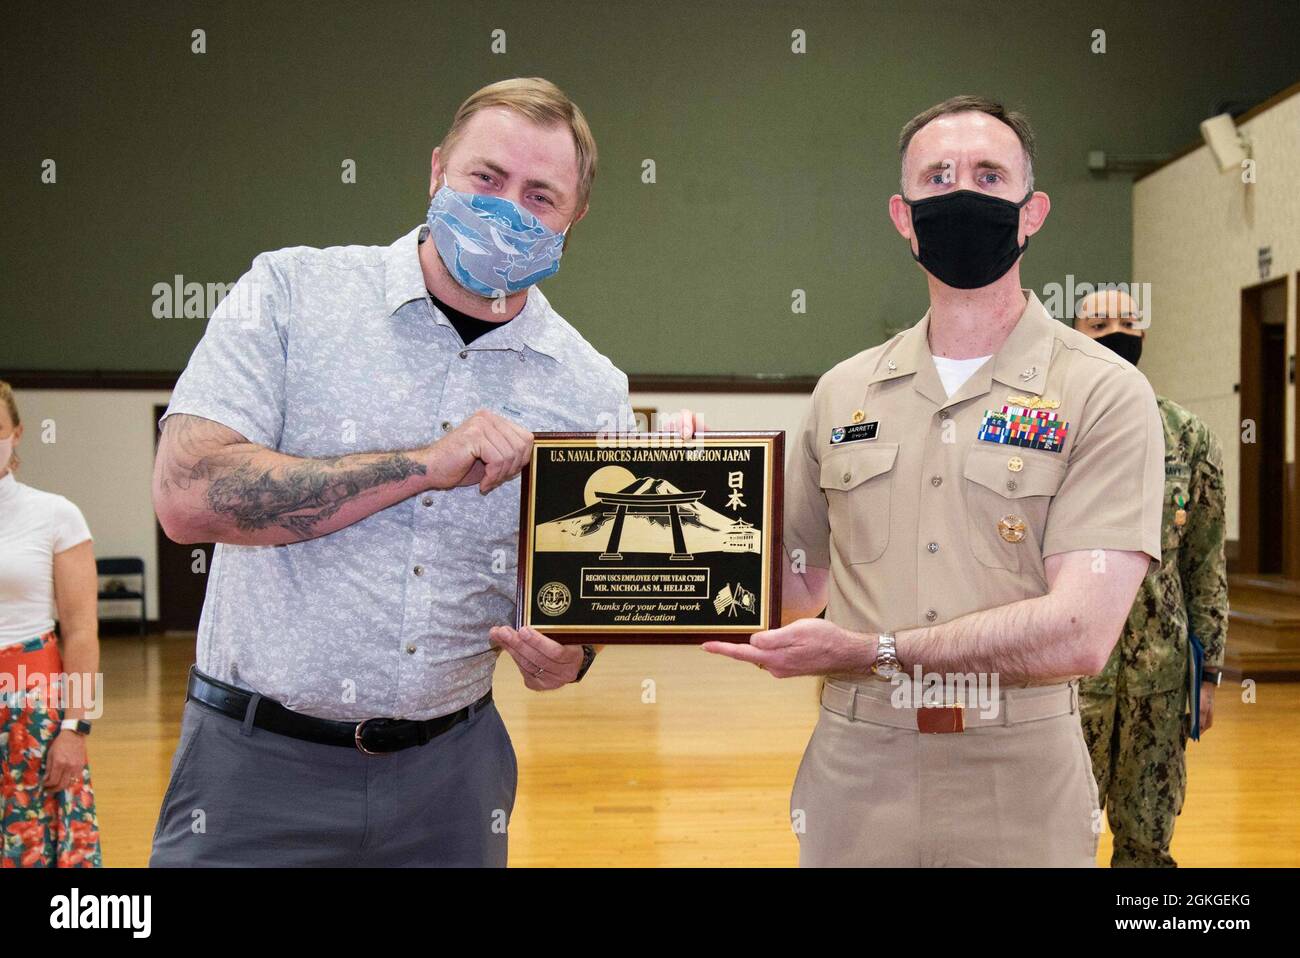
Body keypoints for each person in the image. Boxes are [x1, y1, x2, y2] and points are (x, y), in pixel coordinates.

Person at [149, 78, 637, 866]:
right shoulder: (289, 292)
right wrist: (421, 465)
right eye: (486, 178)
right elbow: (187, 496)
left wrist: (574, 653)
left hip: (453, 782)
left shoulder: (590, 386)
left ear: (574, 219)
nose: (508, 208)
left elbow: (578, 590)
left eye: (541, 196)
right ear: (438, 169)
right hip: (253, 773)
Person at [705, 95, 1164, 866]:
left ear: (1032, 211)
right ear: (903, 213)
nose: (962, 195)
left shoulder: (1102, 392)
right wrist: (694, 486)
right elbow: (785, 587)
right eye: (938, 176)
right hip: (857, 767)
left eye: (989, 175)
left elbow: (1081, 632)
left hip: (1018, 769)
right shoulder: (843, 391)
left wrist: (875, 650)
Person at [1073, 288, 1227, 867]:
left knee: (1147, 842)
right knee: (1057, 836)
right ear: (1073, 336)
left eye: (1128, 321)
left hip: (1157, 684)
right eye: (1099, 323)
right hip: (1065, 680)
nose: (1116, 331)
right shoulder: (1042, 430)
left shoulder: (1189, 436)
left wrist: (1206, 674)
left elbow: (1205, 565)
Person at [0, 379, 103, 867]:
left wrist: (77, 728)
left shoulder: (56, 514)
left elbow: (82, 631)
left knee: (32, 844)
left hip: (30, 708)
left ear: (17, 433)